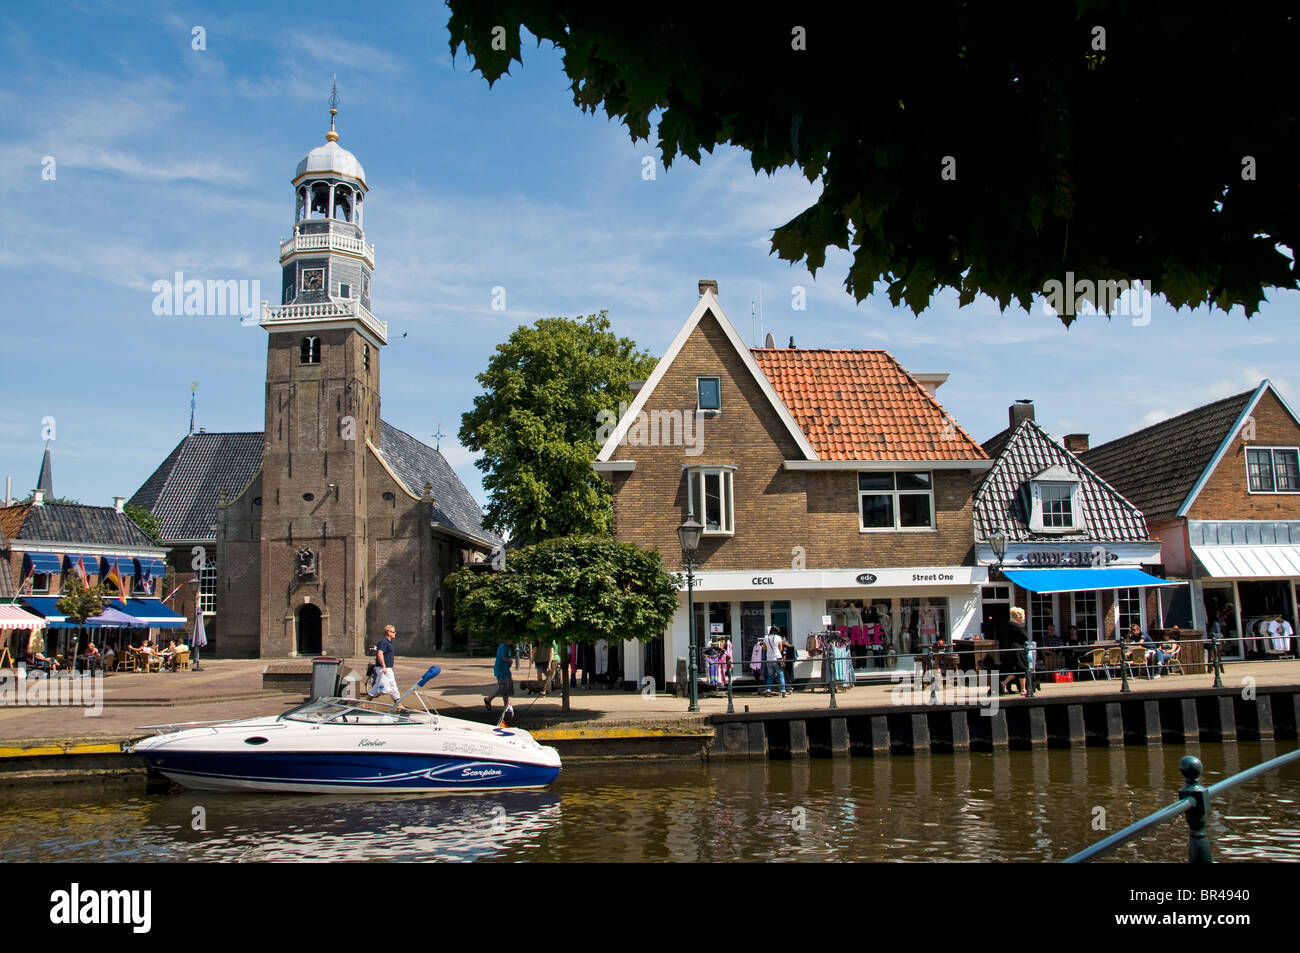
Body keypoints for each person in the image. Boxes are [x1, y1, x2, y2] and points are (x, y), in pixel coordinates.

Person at [1000, 607, 1029, 695]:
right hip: (1018, 648)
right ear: (1019, 616)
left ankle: (1006, 684)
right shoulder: (1015, 625)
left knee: (1017, 668)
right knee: (1022, 667)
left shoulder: (1008, 625)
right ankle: (1023, 689)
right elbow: (1025, 636)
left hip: (1011, 648)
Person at [368, 625, 400, 702]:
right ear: (389, 633)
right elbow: (379, 654)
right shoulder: (383, 642)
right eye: (393, 632)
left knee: (376, 687)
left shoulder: (389, 642)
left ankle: (366, 703)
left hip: (386, 667)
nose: (395, 633)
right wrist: (384, 666)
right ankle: (399, 705)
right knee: (393, 686)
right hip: (384, 668)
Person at [484, 640, 514, 718]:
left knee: (505, 689)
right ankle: (489, 700)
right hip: (501, 670)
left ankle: (505, 706)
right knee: (503, 688)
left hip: (505, 670)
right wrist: (511, 661)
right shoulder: (503, 646)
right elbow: (504, 658)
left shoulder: (506, 647)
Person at [762, 625, 788, 698]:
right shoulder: (778, 638)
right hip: (777, 658)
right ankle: (783, 691)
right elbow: (780, 649)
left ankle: (768, 690)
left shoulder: (766, 637)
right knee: (780, 674)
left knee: (770, 675)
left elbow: (764, 648)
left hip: (769, 659)